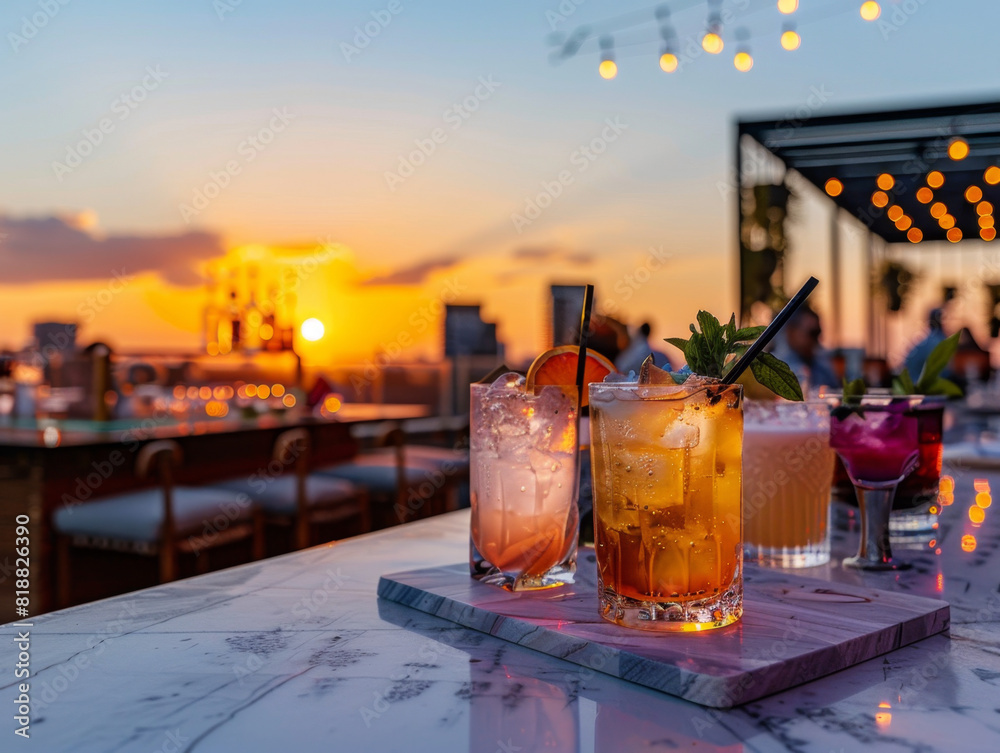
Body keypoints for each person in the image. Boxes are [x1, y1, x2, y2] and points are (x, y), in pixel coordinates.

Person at [769, 306, 839, 391]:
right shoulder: (774, 367)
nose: (816, 340)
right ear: (791, 331)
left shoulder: (821, 364)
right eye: (812, 333)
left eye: (818, 332)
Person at [903, 308, 946, 379]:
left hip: (914, 382)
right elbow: (944, 371)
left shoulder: (925, 341)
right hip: (924, 385)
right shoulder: (937, 342)